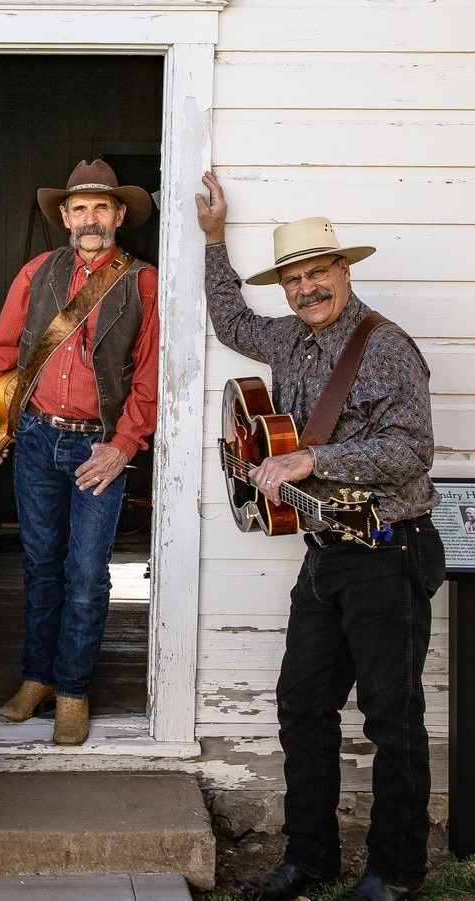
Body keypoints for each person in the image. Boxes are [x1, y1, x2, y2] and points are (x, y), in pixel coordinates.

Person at [196, 172, 446, 901]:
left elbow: (410, 451)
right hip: (325, 556)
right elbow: (227, 322)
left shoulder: (386, 347)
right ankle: (309, 859)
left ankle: (395, 873)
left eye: (317, 274)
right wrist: (214, 241)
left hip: (388, 550)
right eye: (294, 279)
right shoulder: (285, 338)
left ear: (344, 271)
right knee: (301, 705)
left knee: (389, 717)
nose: (306, 289)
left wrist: (311, 457)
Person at [0, 159, 160, 745]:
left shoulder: (143, 281)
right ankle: (38, 678)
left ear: (120, 215)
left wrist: (124, 445)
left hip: (96, 447)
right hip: (33, 437)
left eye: (102, 208)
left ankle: (73, 689)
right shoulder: (36, 273)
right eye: (79, 209)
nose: (90, 219)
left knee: (86, 575)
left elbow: (152, 375)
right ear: (64, 216)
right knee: (40, 568)